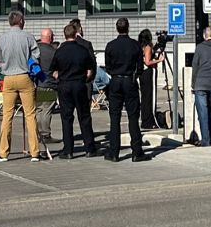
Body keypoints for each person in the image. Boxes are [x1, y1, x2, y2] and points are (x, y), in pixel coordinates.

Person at [0, 12, 40, 163]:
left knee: (7, 116)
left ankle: (3, 153)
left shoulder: (2, 38)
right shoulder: (28, 36)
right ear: (20, 21)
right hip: (24, 76)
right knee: (30, 115)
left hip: (8, 78)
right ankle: (34, 153)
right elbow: (36, 56)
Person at [102, 18, 147, 162]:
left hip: (115, 80)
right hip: (129, 80)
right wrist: (134, 76)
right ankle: (136, 152)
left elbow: (107, 66)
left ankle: (114, 152)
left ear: (117, 29)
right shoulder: (135, 45)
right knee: (133, 117)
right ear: (128, 28)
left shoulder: (111, 46)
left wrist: (115, 73)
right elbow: (140, 67)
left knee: (114, 118)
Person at [52, 19, 97, 158]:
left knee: (66, 118)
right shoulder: (83, 50)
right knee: (84, 116)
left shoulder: (59, 51)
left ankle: (68, 150)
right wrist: (85, 78)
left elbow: (53, 72)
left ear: (65, 35)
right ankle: (90, 148)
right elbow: (90, 70)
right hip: (79, 84)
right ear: (76, 33)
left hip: (65, 85)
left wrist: (60, 77)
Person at [137, 28, 159, 129]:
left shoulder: (140, 47)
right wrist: (159, 60)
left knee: (144, 97)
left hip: (142, 73)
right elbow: (148, 61)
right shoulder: (148, 47)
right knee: (149, 97)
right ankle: (149, 120)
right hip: (148, 72)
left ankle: (145, 119)